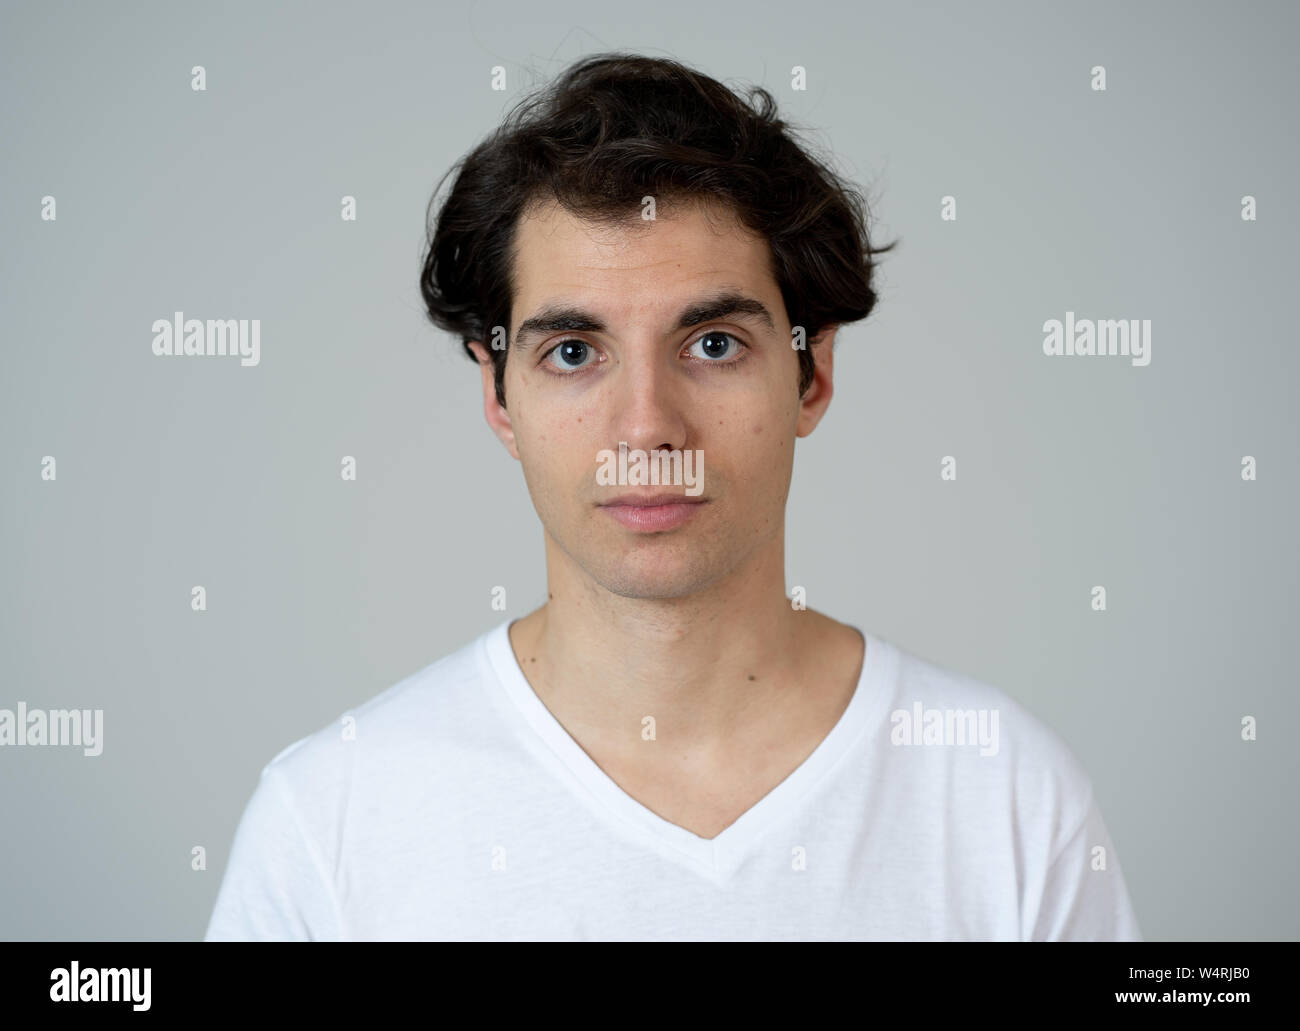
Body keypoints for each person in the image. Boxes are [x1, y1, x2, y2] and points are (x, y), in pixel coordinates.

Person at [205, 52, 1140, 941]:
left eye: (714, 344)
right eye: (573, 353)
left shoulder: (1005, 793)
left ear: (810, 376)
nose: (647, 427)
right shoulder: (329, 820)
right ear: (498, 395)